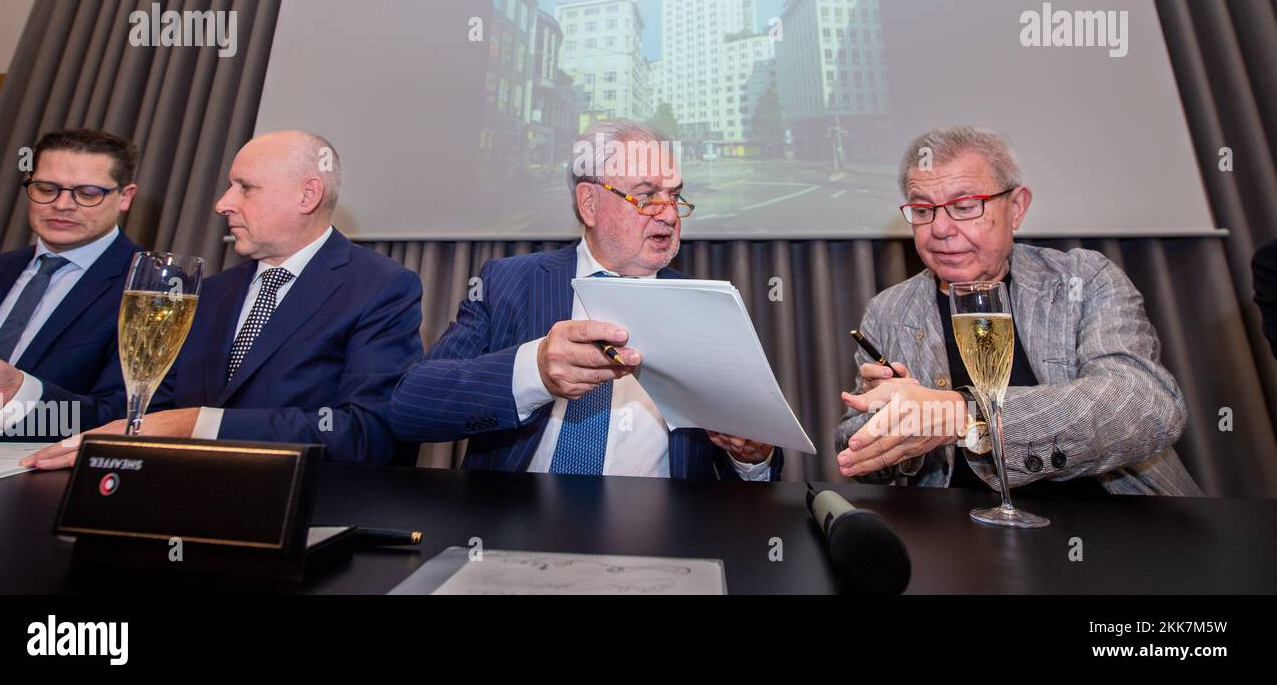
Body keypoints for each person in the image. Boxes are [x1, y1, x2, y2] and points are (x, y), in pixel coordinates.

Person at [390, 119, 780, 480]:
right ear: (589, 203)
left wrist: (749, 457)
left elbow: (745, 474)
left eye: (674, 196)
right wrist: (535, 372)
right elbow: (411, 406)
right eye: (647, 196)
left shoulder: (708, 309)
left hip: (661, 538)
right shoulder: (509, 282)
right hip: (510, 528)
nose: (670, 215)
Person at [835, 125, 1201, 496]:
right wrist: (882, 418)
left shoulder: (1084, 279)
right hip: (958, 528)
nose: (940, 228)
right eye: (922, 210)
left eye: (964, 206)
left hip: (1112, 516)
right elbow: (858, 461)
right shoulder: (889, 311)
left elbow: (1142, 404)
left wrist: (962, 414)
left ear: (1016, 208)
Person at [24, 130, 423, 467]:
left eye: (244, 188)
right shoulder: (211, 292)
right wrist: (21, 391)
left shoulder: (380, 288)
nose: (222, 204)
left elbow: (368, 433)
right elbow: (150, 415)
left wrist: (201, 424)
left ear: (307, 196)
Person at [0, 129, 141, 438]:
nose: (62, 204)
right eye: (46, 188)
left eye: (88, 193)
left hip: (28, 473)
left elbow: (122, 419)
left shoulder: (146, 289)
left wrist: (13, 403)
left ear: (126, 197)